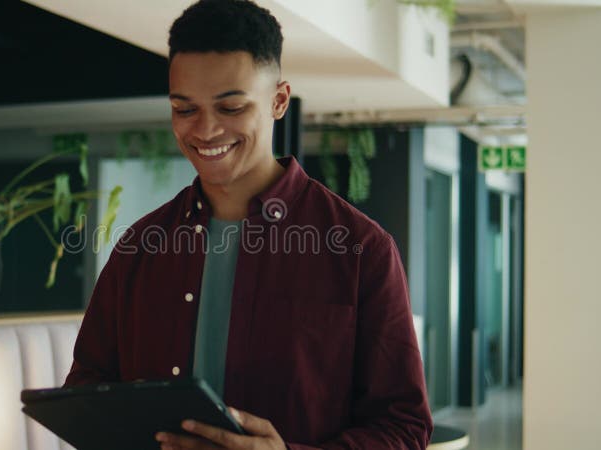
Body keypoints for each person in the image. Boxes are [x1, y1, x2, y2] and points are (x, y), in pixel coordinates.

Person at [64, 0, 433, 448]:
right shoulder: (139, 247)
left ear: (278, 101)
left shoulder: (361, 250)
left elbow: (404, 429)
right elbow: (86, 391)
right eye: (185, 110)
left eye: (231, 108)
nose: (205, 130)